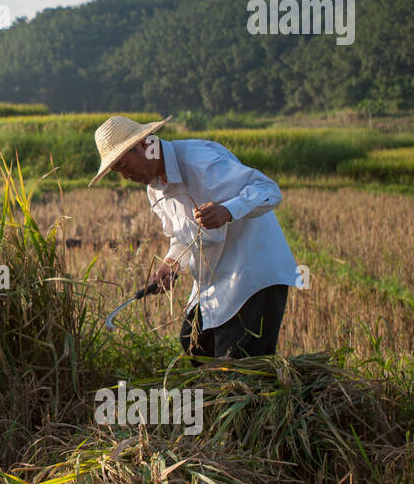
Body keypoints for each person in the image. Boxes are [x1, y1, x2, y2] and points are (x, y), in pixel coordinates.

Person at [90, 115, 299, 360]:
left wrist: (228, 210)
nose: (125, 175)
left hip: (252, 277)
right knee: (193, 345)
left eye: (124, 165)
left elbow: (268, 190)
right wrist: (171, 263)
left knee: (237, 371)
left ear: (146, 146)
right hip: (216, 280)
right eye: (118, 171)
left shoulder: (202, 162)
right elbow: (183, 236)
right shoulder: (155, 189)